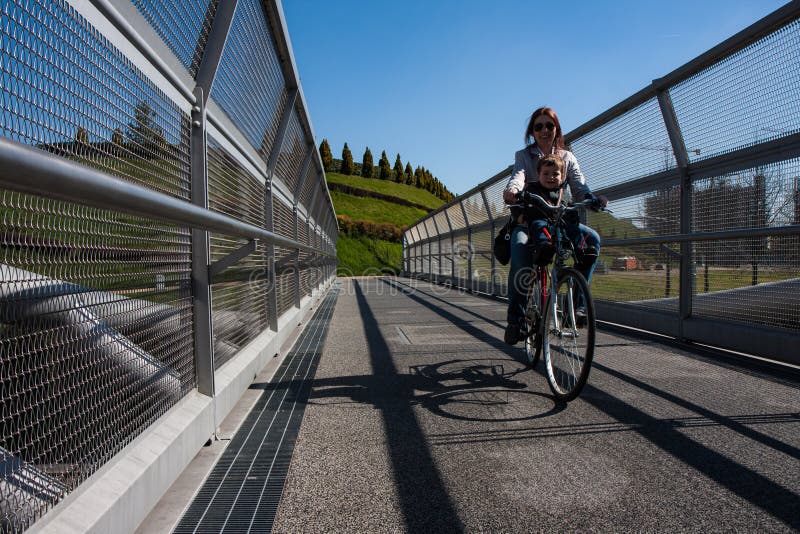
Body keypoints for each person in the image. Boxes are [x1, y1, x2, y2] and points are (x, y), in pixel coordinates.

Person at [502, 107, 605, 345]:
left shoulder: (568, 158)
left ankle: (577, 308)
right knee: (520, 250)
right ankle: (515, 320)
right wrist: (513, 190)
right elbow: (518, 176)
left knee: (593, 241)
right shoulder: (524, 155)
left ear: (556, 129)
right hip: (529, 220)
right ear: (532, 132)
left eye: (549, 125)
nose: (544, 130)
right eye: (538, 126)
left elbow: (579, 186)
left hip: (557, 220)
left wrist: (592, 199)